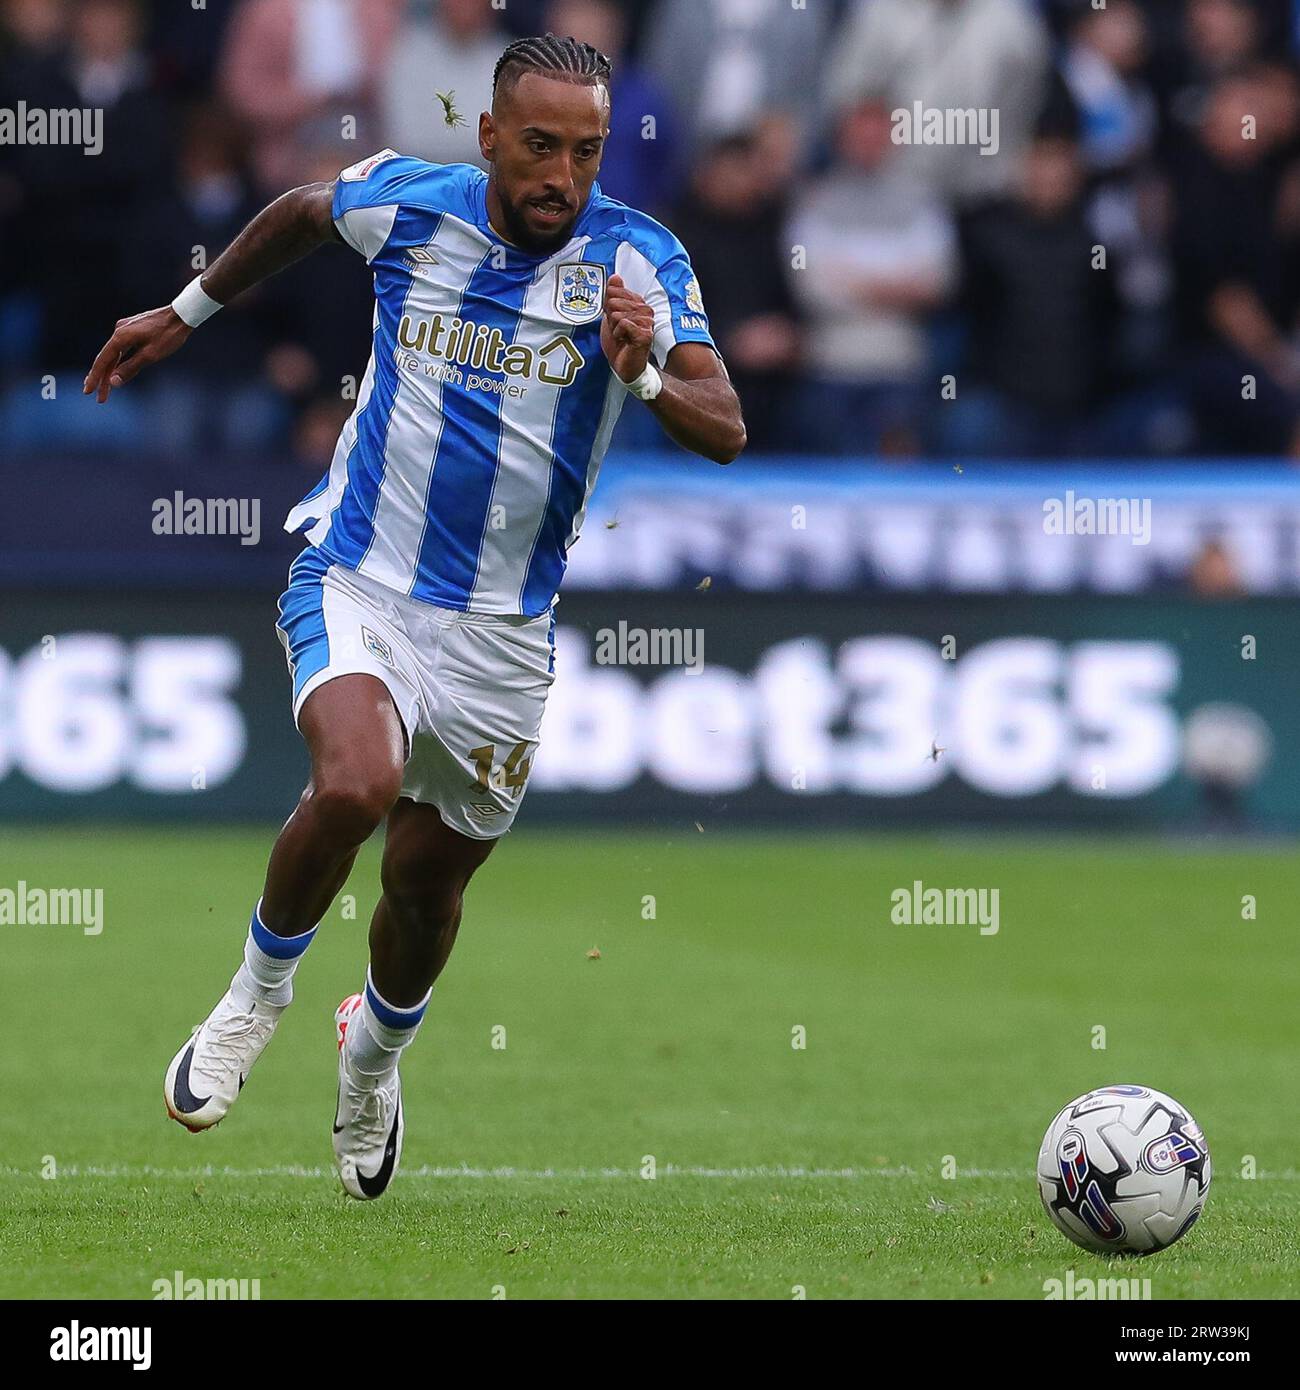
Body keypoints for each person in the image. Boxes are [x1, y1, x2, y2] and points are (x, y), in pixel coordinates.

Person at [83, 33, 745, 1200]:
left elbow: (724, 422)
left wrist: (639, 373)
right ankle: (253, 999)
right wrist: (187, 311)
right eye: (539, 147)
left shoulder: (637, 257)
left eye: (585, 152)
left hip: (501, 635)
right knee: (354, 784)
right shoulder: (409, 205)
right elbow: (298, 211)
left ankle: (372, 1060)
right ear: (488, 135)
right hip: (360, 578)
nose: (562, 177)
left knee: (426, 889)